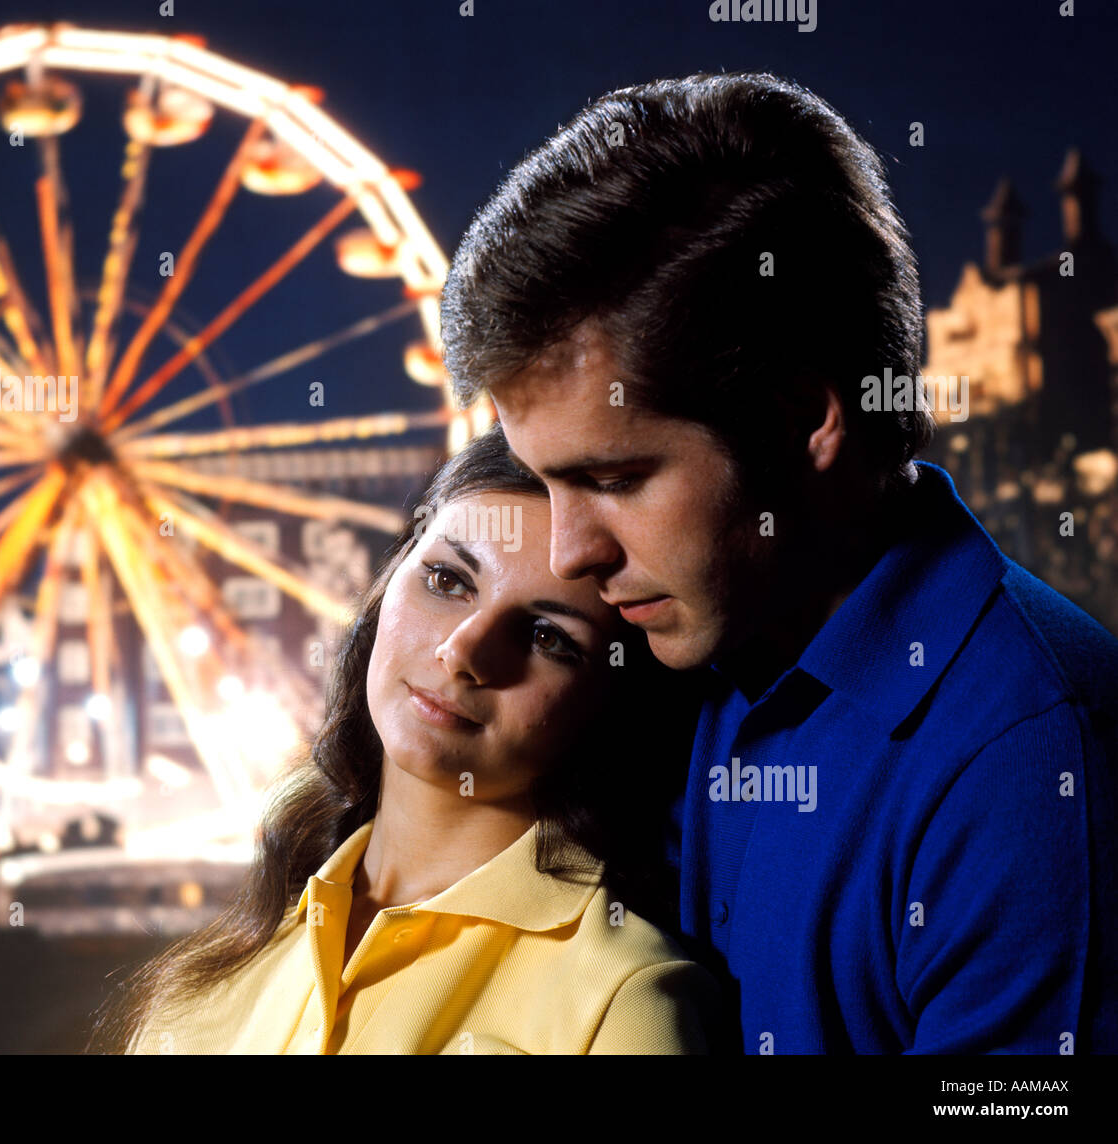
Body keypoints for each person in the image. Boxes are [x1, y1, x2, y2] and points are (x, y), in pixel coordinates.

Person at [438, 71, 1118, 1054]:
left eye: (617, 478)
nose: (570, 550)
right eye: (546, 485)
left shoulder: (1029, 771)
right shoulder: (696, 651)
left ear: (806, 418)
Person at [93, 423, 715, 1055]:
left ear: (608, 703)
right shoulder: (206, 985)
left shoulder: (619, 1003)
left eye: (546, 637)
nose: (463, 650)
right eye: (448, 581)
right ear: (387, 586)